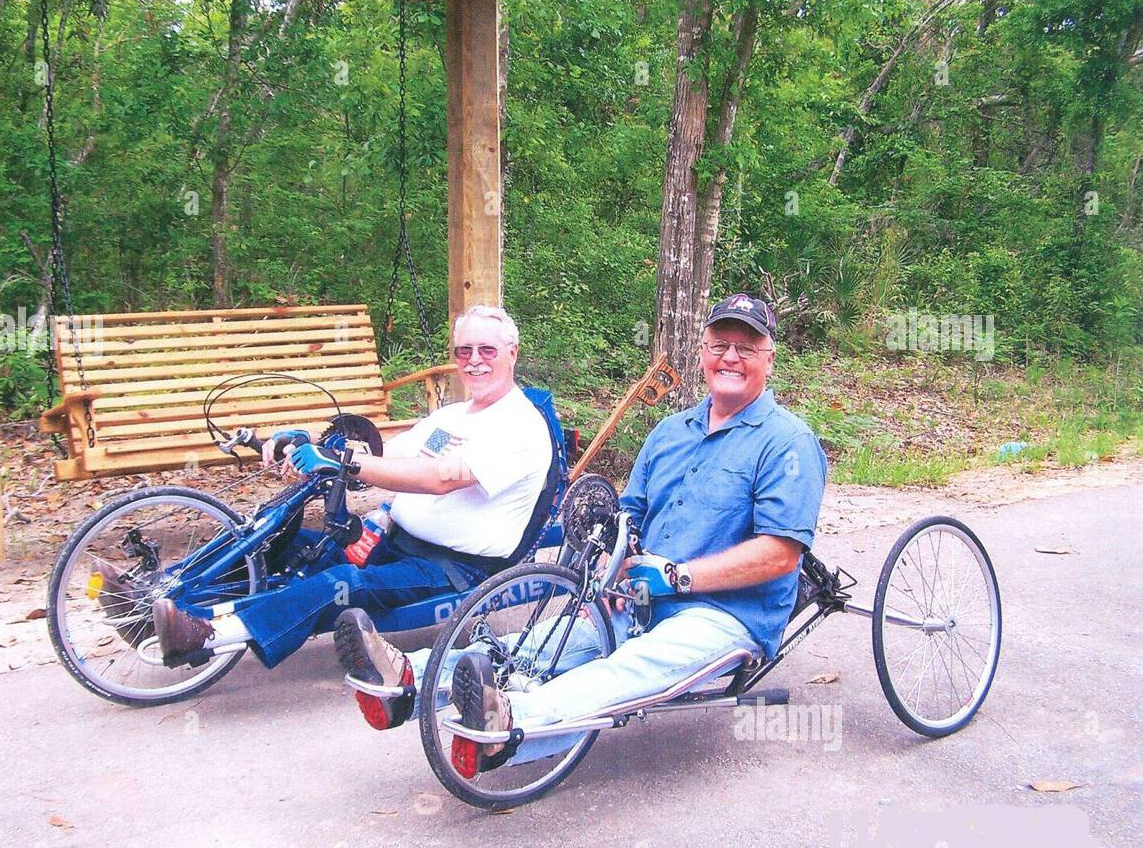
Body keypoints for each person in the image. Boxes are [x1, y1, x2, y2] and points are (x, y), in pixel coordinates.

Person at [337, 292, 828, 775]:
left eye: (747, 347)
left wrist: (678, 577)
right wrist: (611, 568)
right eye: (720, 344)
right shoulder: (670, 432)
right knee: (542, 644)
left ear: (769, 357)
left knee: (625, 669)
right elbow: (626, 516)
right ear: (702, 352)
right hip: (639, 598)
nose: (731, 358)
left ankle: (508, 724)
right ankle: (408, 679)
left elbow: (780, 555)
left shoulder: (788, 443)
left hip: (724, 614)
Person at [147, 306, 552, 700]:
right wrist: (310, 445)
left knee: (340, 585)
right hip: (393, 542)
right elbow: (386, 457)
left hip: (450, 568)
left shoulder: (520, 426)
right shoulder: (453, 418)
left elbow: (442, 478)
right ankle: (157, 602)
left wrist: (346, 463)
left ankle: (206, 634)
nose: (474, 361)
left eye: (487, 351)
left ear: (512, 353)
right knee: (276, 541)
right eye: (464, 351)